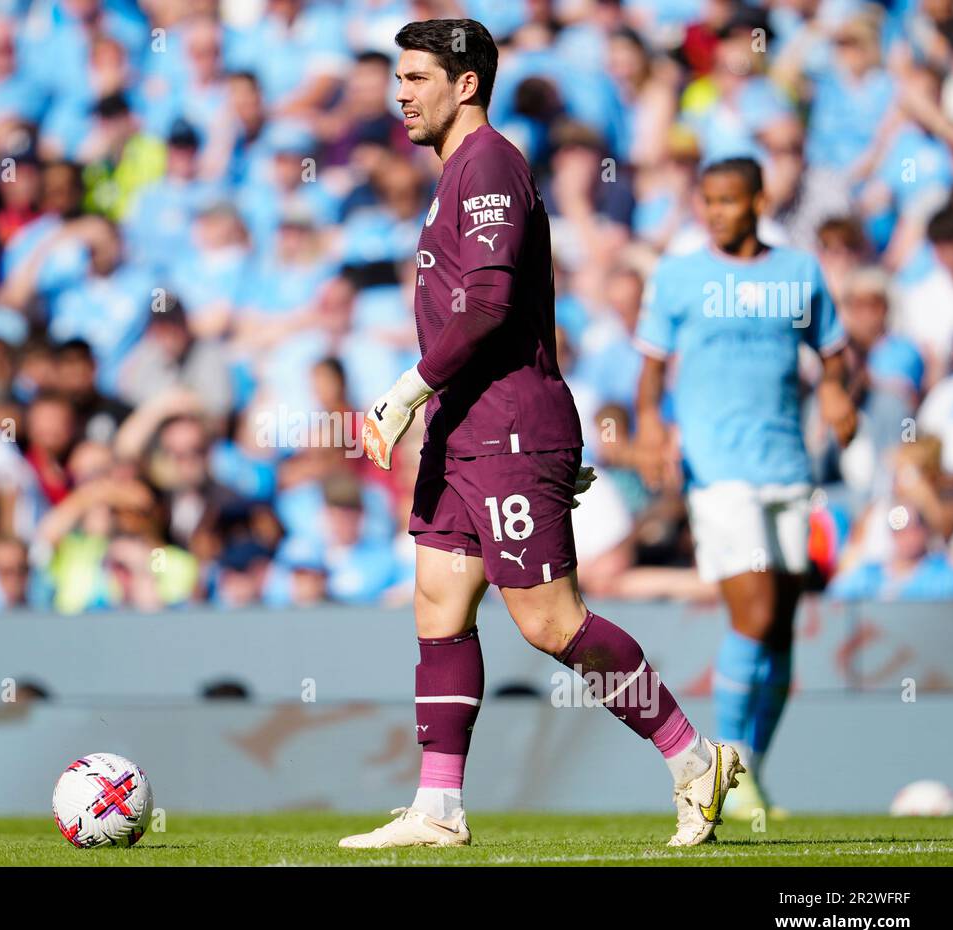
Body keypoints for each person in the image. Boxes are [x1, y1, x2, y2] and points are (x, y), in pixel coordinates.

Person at [342, 19, 734, 851]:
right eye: (398, 77)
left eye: (416, 78)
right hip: (465, 431)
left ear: (467, 83)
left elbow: (486, 305)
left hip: (508, 428)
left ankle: (693, 757)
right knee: (439, 606)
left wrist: (405, 394)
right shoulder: (455, 175)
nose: (401, 94)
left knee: (552, 623)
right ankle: (438, 809)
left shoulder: (490, 165)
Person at [634, 156, 857, 821]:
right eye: (708, 201)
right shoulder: (678, 279)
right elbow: (650, 376)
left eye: (729, 201)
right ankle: (723, 763)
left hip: (787, 466)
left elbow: (836, 355)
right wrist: (649, 428)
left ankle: (748, 774)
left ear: (758, 202)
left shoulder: (799, 273)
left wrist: (840, 397)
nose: (716, 212)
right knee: (753, 613)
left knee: (783, 627)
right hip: (717, 470)